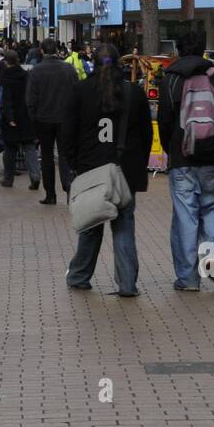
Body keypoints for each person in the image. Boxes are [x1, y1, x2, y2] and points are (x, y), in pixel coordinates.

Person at [60, 42, 152, 295]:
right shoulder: (133, 93)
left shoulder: (80, 91)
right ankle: (127, 283)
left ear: (93, 64)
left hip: (90, 170)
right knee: (124, 228)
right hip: (125, 172)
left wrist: (74, 164)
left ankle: (79, 275)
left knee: (90, 225)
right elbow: (146, 134)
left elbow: (67, 134)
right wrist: (138, 168)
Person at [158, 29, 214, 292]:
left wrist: (172, 150)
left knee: (185, 217)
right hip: (212, 157)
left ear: (178, 48)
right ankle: (212, 252)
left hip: (182, 158)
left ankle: (188, 279)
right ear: (204, 48)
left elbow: (165, 121)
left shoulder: (170, 79)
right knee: (212, 207)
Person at [26, 39, 78, 205]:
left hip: (43, 118)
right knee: (65, 154)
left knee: (47, 156)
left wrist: (33, 118)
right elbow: (77, 93)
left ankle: (50, 194)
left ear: (42, 51)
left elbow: (31, 98)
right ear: (57, 50)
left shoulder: (36, 71)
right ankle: (69, 186)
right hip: (65, 118)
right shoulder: (69, 69)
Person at [0, 49, 41, 190]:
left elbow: (7, 98)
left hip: (12, 117)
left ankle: (8, 178)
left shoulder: (5, 77)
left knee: (10, 148)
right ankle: (35, 175)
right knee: (29, 147)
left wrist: (10, 117)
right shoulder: (26, 75)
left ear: (6, 61)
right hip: (26, 116)